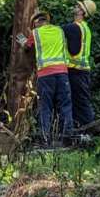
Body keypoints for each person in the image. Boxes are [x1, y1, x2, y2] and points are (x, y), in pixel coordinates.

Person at [18, 11, 73, 145]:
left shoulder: (36, 33)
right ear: (47, 21)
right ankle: (67, 138)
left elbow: (26, 46)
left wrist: (22, 41)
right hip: (62, 73)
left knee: (45, 107)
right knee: (65, 105)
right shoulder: (59, 30)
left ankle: (45, 139)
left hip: (45, 75)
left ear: (36, 23)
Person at [62, 0, 97, 131]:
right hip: (81, 71)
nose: (75, 7)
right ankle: (82, 132)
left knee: (80, 103)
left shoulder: (74, 27)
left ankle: (90, 131)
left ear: (82, 12)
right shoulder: (85, 28)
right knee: (79, 102)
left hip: (76, 71)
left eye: (78, 6)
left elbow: (55, 31)